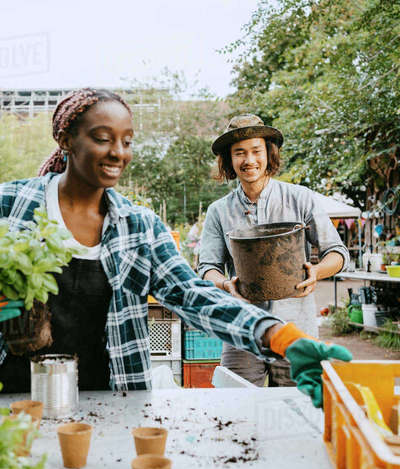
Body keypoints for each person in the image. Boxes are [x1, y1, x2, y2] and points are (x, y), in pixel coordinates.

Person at [0, 90, 351, 405]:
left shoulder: (139, 228)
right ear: (66, 140)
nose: (118, 153)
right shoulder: (11, 206)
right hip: (14, 394)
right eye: (103, 139)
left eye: (127, 141)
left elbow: (195, 295)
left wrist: (282, 337)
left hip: (112, 398)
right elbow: (211, 271)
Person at [198, 114, 350, 387]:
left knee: (297, 412)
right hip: (242, 329)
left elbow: (337, 252)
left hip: (295, 327)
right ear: (229, 160)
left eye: (256, 151)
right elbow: (206, 267)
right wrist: (224, 284)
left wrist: (316, 271)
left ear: (269, 153)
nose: (249, 160)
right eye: (239, 153)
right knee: (236, 411)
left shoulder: (300, 198)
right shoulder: (219, 211)